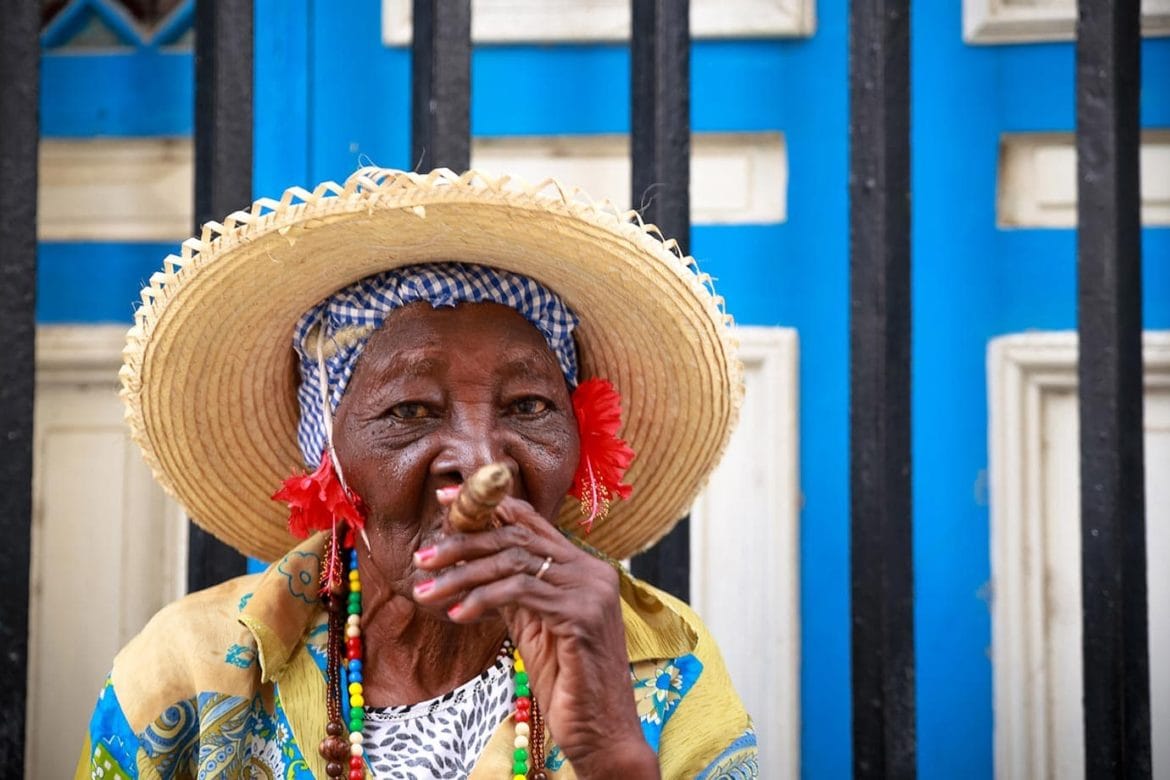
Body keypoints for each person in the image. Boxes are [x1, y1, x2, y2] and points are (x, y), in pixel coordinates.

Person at [77, 168, 757, 779]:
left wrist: (613, 754)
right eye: (410, 409)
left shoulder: (670, 667)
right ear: (330, 462)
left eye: (528, 406)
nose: (482, 463)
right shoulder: (187, 673)